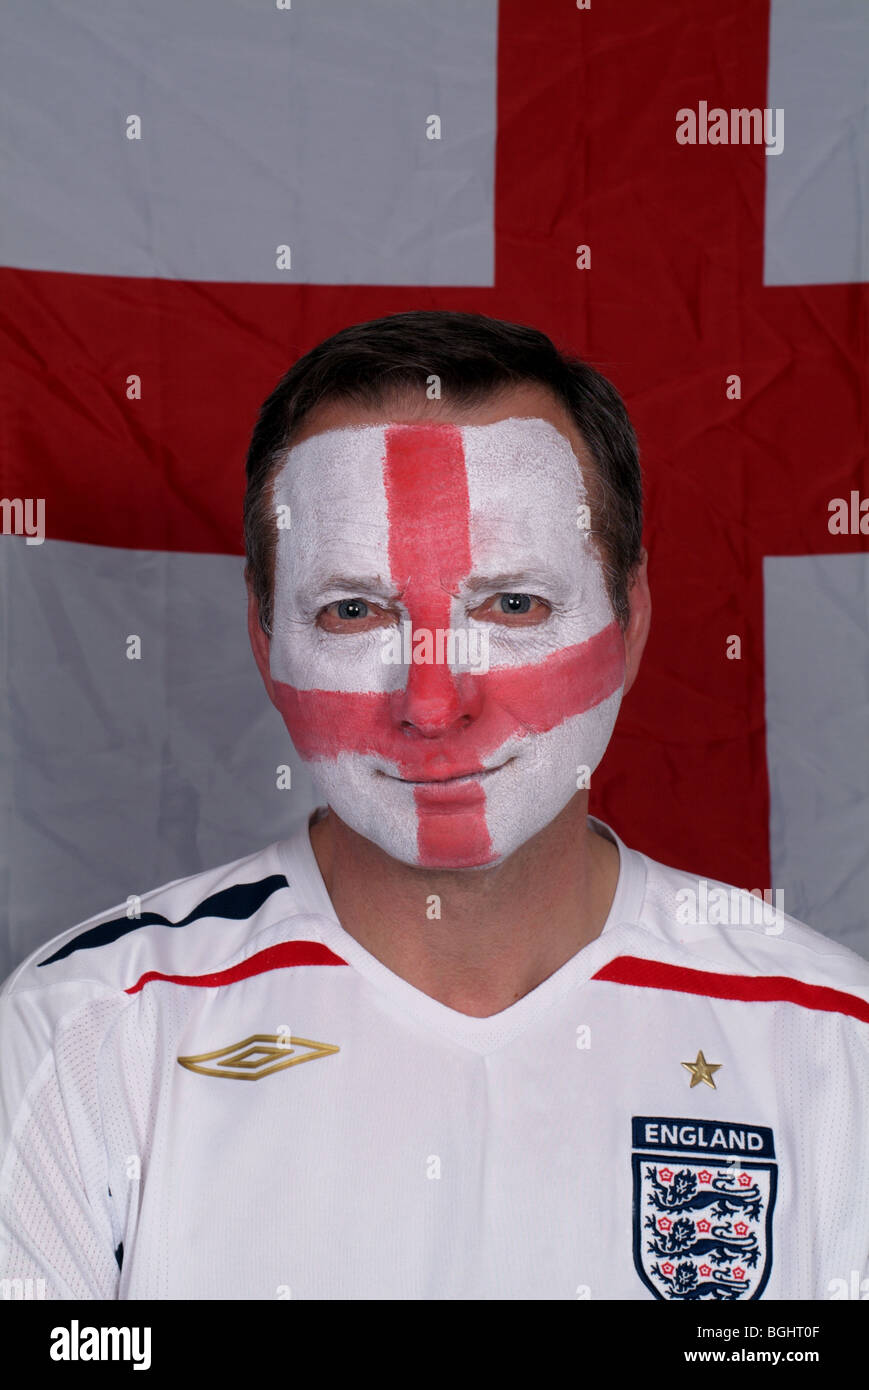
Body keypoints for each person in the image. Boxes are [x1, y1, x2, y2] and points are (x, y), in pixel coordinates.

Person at [1, 311, 866, 1301]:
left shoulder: (833, 1046)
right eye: (355, 612)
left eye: (510, 607)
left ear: (629, 629)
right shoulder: (84, 1035)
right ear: (263, 640)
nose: (431, 703)